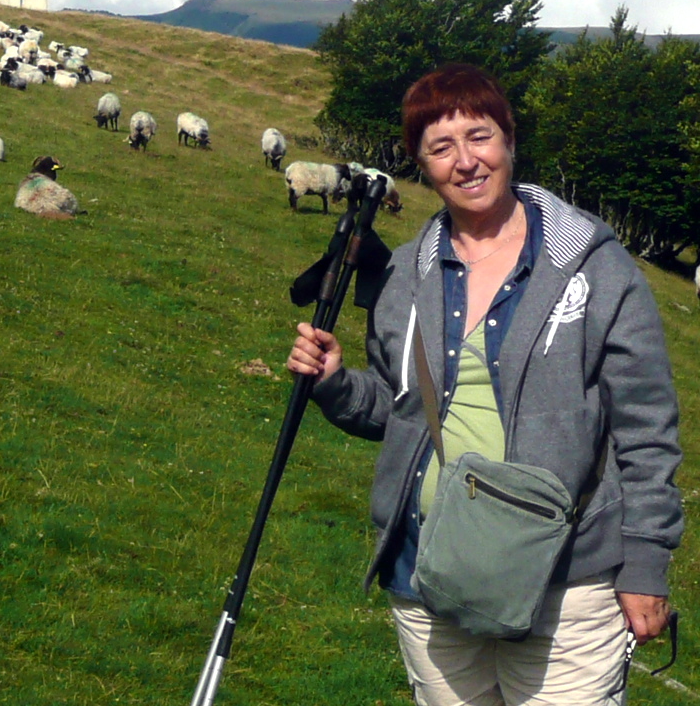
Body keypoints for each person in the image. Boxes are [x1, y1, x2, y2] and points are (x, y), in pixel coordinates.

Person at [287, 63, 682, 705]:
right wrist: (334, 382)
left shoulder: (593, 268)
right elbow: (399, 410)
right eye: (441, 147)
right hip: (430, 575)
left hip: (568, 584)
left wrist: (644, 563)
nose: (466, 161)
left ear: (509, 140)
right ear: (420, 163)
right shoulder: (406, 277)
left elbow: (647, 429)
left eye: (479, 136)